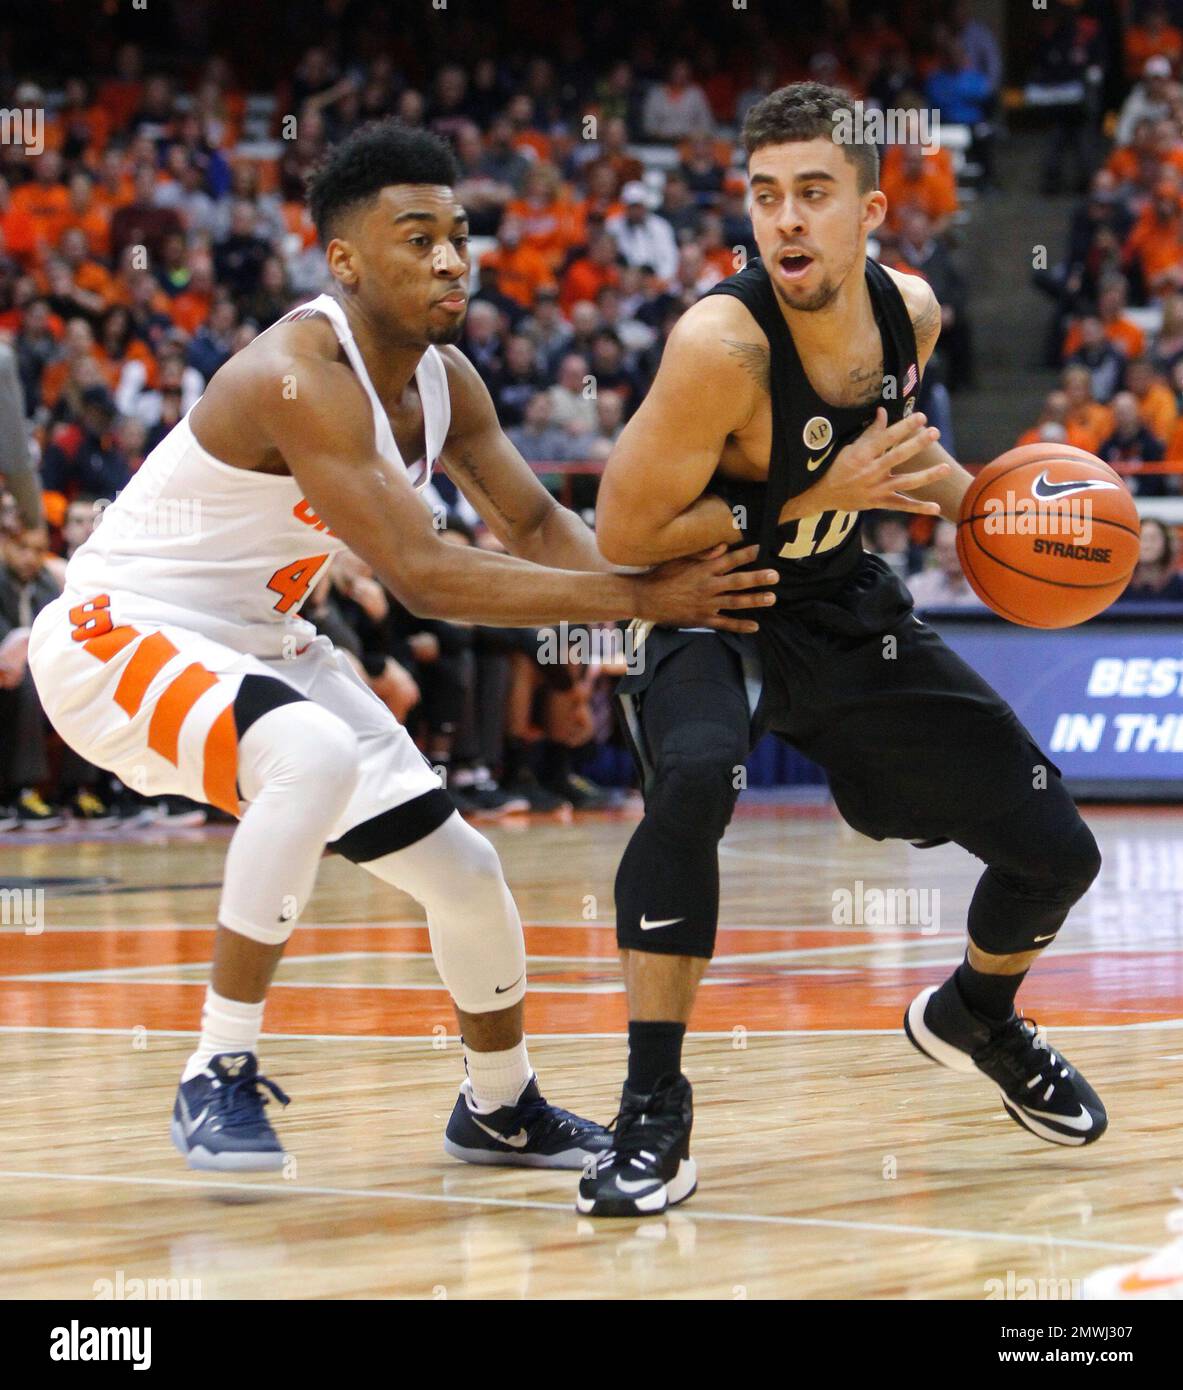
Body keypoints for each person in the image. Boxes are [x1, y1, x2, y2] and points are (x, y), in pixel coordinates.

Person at [28, 120, 776, 1176]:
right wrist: (640, 591)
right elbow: (424, 576)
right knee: (312, 755)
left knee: (466, 873)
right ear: (343, 260)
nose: (448, 259)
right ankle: (214, 1070)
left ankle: (499, 1104)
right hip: (119, 633)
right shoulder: (295, 372)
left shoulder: (446, 381)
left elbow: (535, 530)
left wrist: (667, 606)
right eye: (415, 237)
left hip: (260, 645)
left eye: (458, 235)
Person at [582, 83, 1106, 1218]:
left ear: (870, 210)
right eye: (764, 196)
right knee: (692, 780)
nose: (784, 222)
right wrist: (823, 490)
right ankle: (651, 1110)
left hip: (835, 597)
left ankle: (978, 1015)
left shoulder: (907, 314)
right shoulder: (718, 347)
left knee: (1056, 852)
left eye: (812, 195)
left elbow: (904, 463)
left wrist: (997, 520)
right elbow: (623, 539)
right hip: (711, 597)